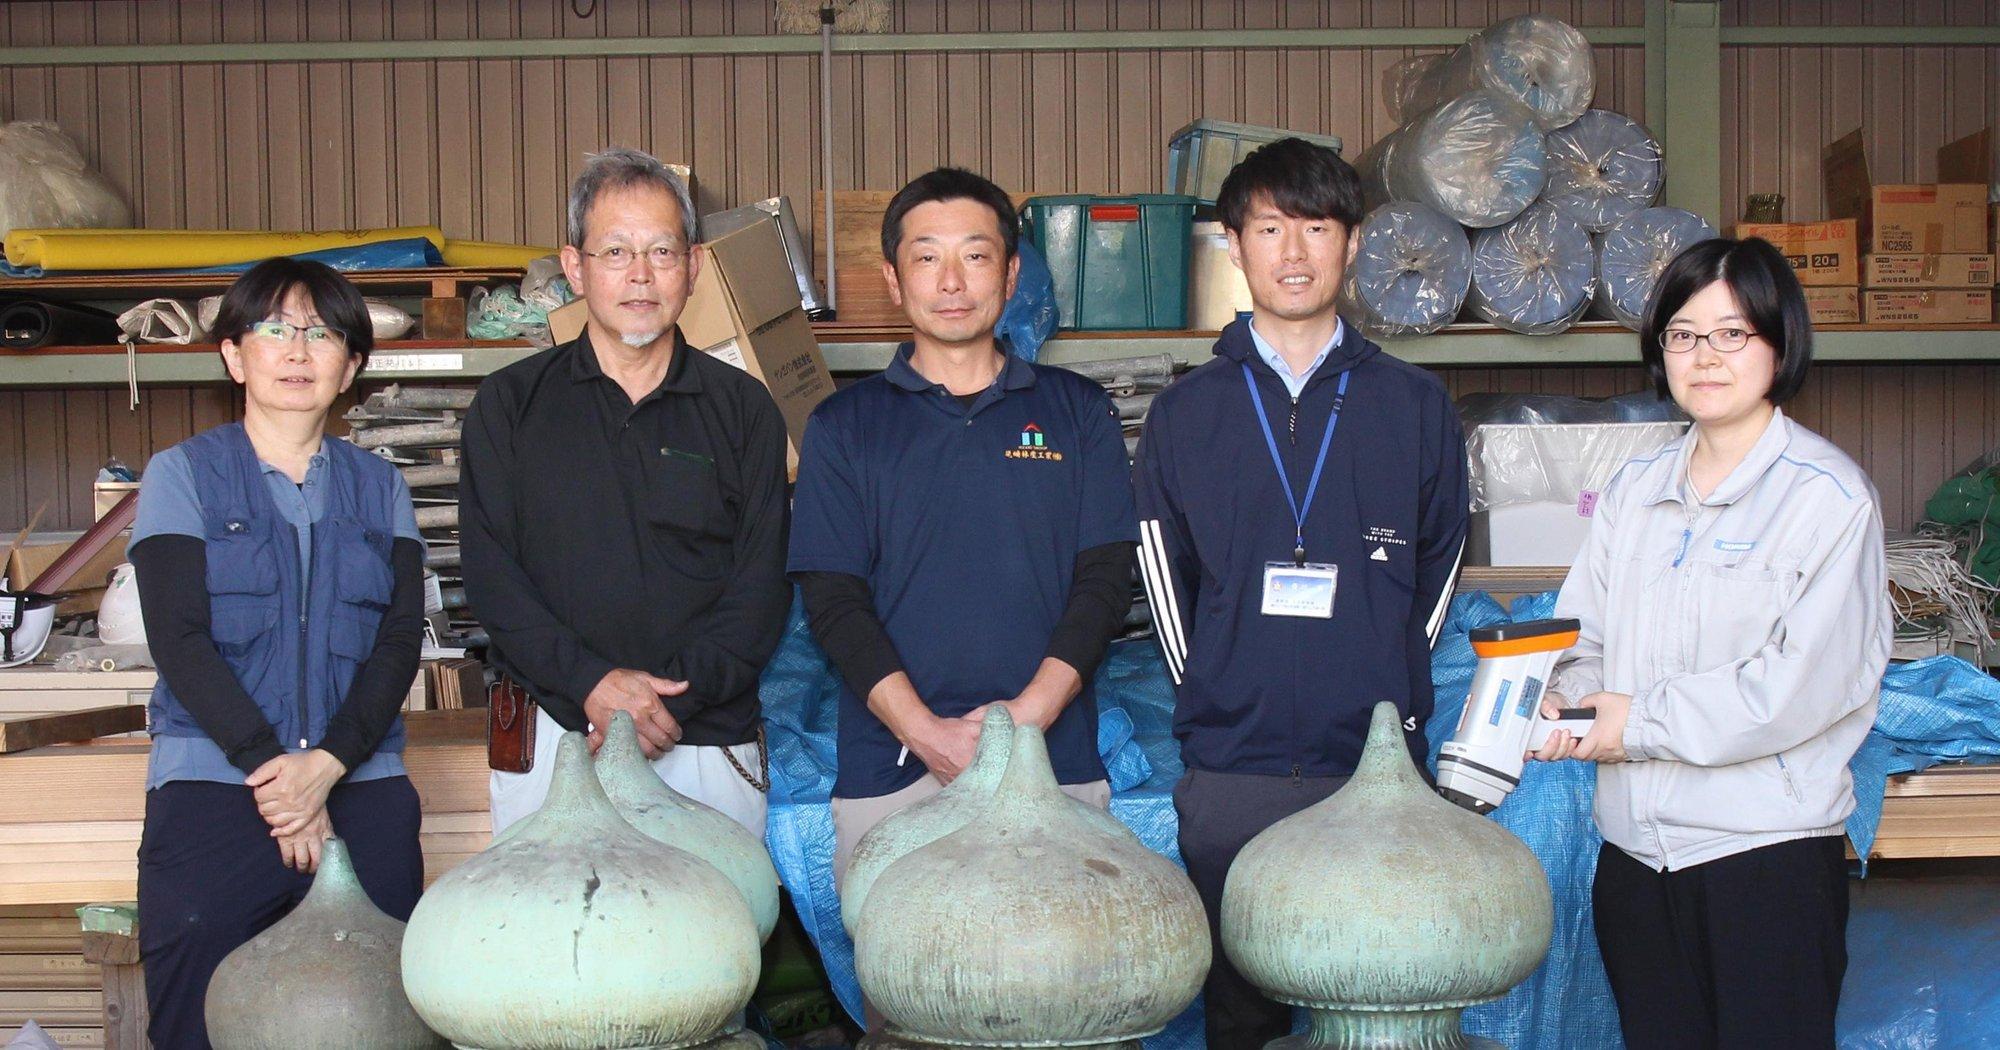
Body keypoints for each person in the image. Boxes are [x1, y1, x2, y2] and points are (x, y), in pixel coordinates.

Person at [1130, 137, 1469, 1047]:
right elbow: (1166, 579)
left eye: (1316, 227)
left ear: (1352, 244)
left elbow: (1440, 563)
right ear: (1234, 245)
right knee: (1243, 1009)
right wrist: (1214, 692)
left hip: (1373, 767)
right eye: (1269, 228)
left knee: (1383, 1003)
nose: (1292, 252)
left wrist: (1390, 688)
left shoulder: (1413, 405)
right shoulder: (1187, 413)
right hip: (1234, 766)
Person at [1532, 237, 1891, 1049]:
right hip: (1635, 863)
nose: (1706, 356)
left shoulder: (1827, 499)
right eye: (1683, 334)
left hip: (1763, 862)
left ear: (1779, 342)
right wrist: (1567, 699)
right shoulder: (1634, 490)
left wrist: (1633, 722)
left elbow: (1794, 691)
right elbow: (1584, 634)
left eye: (1733, 333)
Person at [787, 167, 1136, 886]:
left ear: (1009, 275)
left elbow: (1103, 584)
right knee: (909, 986)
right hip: (896, 775)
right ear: (893, 279)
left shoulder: (1079, 413)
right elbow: (832, 599)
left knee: (1065, 984)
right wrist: (925, 733)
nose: (952, 281)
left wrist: (1029, 720)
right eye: (926, 257)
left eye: (974, 256)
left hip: (1054, 768)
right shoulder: (844, 428)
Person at [129, 257, 427, 1048]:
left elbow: (399, 642)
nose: (298, 351)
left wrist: (327, 764)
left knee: (385, 1017)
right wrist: (276, 775)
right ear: (233, 355)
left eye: (322, 333)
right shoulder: (182, 475)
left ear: (352, 365)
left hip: (362, 783)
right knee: (196, 1009)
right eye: (274, 328)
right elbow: (179, 638)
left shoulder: (380, 487)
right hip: (214, 785)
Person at [460, 148, 790, 837]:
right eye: (615, 251)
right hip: (556, 743)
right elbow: (494, 580)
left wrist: (657, 706)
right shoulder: (510, 406)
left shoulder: (742, 408)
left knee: (711, 941)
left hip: (702, 742)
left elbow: (760, 589)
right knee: (555, 942)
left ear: (695, 267)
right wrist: (593, 687)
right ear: (576, 267)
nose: (640, 275)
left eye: (662, 251)